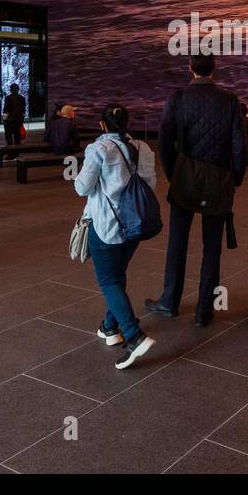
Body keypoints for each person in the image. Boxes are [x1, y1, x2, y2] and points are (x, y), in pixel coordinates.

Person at [146, 53, 246, 327]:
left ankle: (169, 301)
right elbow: (239, 145)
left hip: (185, 178)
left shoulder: (176, 99)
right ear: (214, 69)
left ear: (189, 68)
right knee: (212, 246)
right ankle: (205, 310)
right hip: (218, 180)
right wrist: (235, 178)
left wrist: (173, 173)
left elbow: (164, 144)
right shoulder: (229, 101)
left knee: (177, 242)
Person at [74, 103, 159, 369]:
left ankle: (134, 336)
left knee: (109, 280)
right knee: (117, 275)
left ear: (102, 125)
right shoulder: (143, 148)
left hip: (106, 226)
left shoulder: (98, 148)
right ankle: (109, 327)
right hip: (135, 224)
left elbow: (82, 187)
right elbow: (150, 184)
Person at [1, 83, 26, 156]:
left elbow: (6, 109)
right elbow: (23, 110)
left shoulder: (8, 98)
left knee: (9, 137)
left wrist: (4, 119)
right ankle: (17, 153)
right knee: (17, 137)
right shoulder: (22, 98)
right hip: (18, 120)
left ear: (10, 90)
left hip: (10, 120)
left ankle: (10, 154)